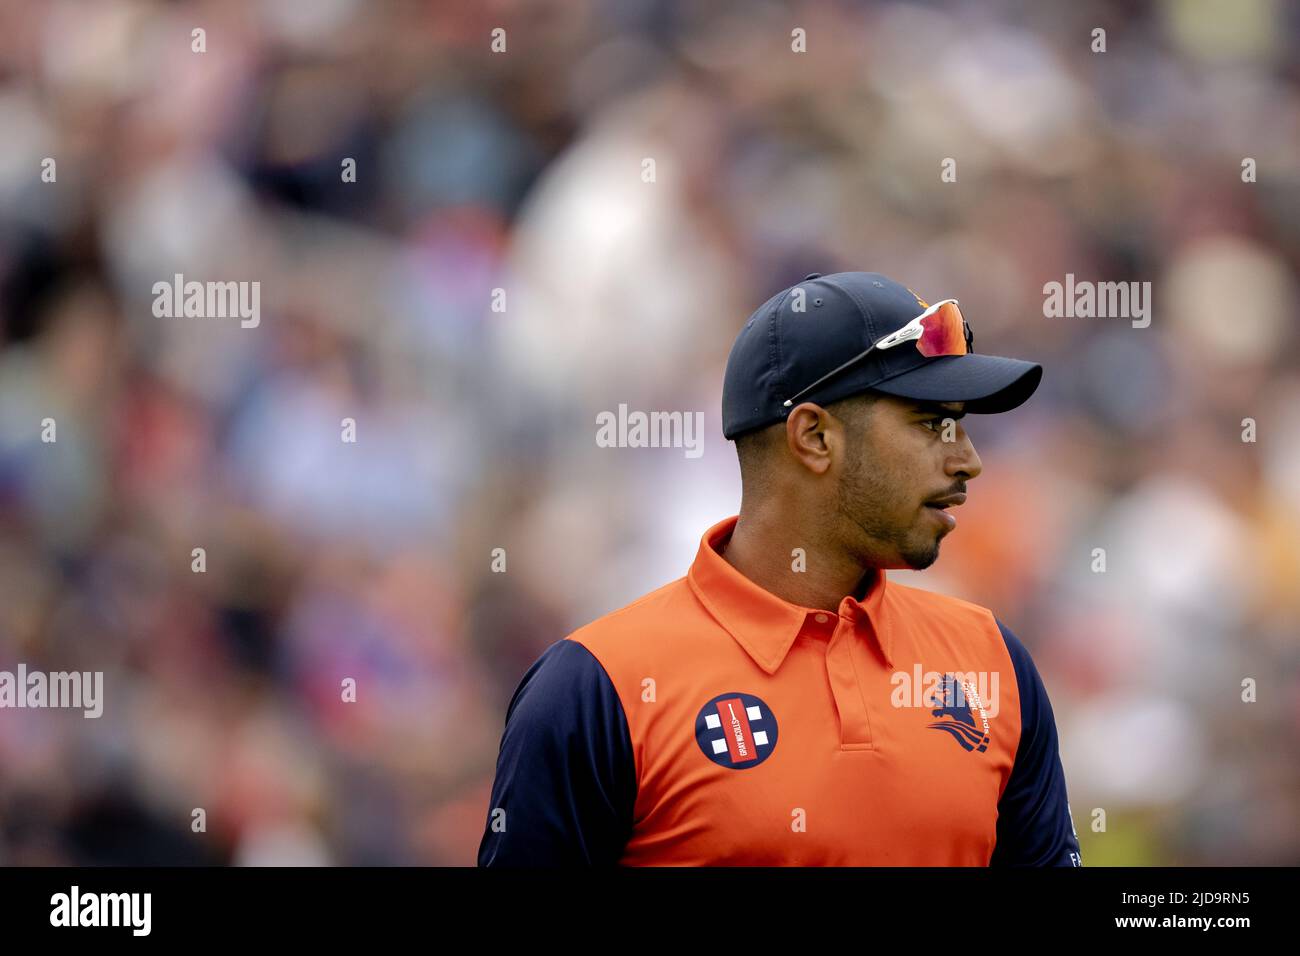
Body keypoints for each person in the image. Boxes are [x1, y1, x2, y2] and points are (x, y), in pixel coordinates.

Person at [478, 272, 1082, 866]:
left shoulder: (993, 662)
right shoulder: (596, 687)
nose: (968, 461)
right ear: (814, 437)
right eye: (932, 423)